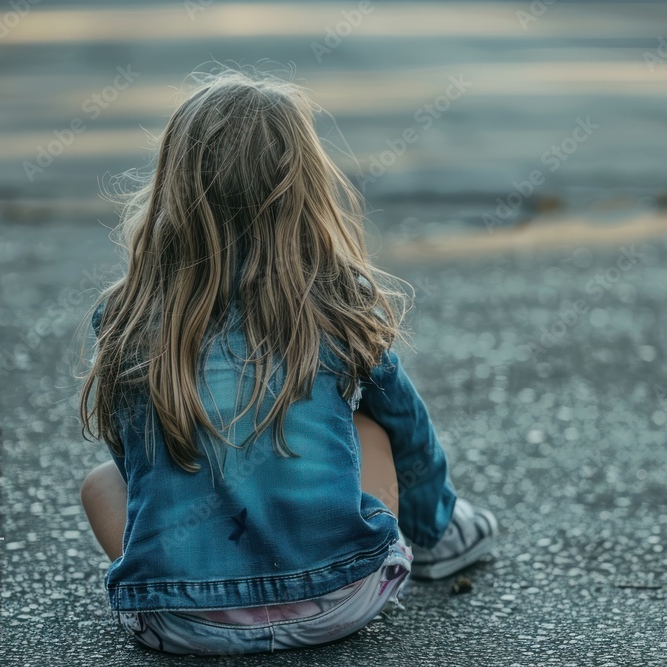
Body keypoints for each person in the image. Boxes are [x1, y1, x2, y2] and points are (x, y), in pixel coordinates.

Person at [77, 69, 497, 656]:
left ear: (172, 186)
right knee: (372, 427)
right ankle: (439, 542)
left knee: (102, 483)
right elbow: (408, 428)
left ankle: (177, 583)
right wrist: (437, 523)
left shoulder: (131, 314)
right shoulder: (333, 298)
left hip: (180, 626)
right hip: (339, 598)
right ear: (303, 188)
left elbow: (138, 463)